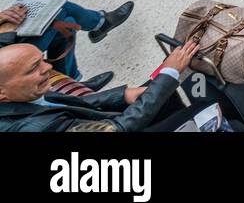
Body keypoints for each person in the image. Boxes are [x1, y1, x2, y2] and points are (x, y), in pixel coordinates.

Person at [0, 38, 202, 132]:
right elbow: (116, 129)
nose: (48, 67)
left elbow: (62, 104)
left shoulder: (21, 96)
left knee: (161, 93)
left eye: (42, 60)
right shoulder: (38, 128)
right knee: (204, 110)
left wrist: (121, 95)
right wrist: (169, 72)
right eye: (32, 68)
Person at [0, 0, 132, 82]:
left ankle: (69, 82)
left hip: (6, 46)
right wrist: (5, 32)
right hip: (7, 63)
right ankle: (101, 23)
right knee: (60, 11)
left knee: (66, 23)